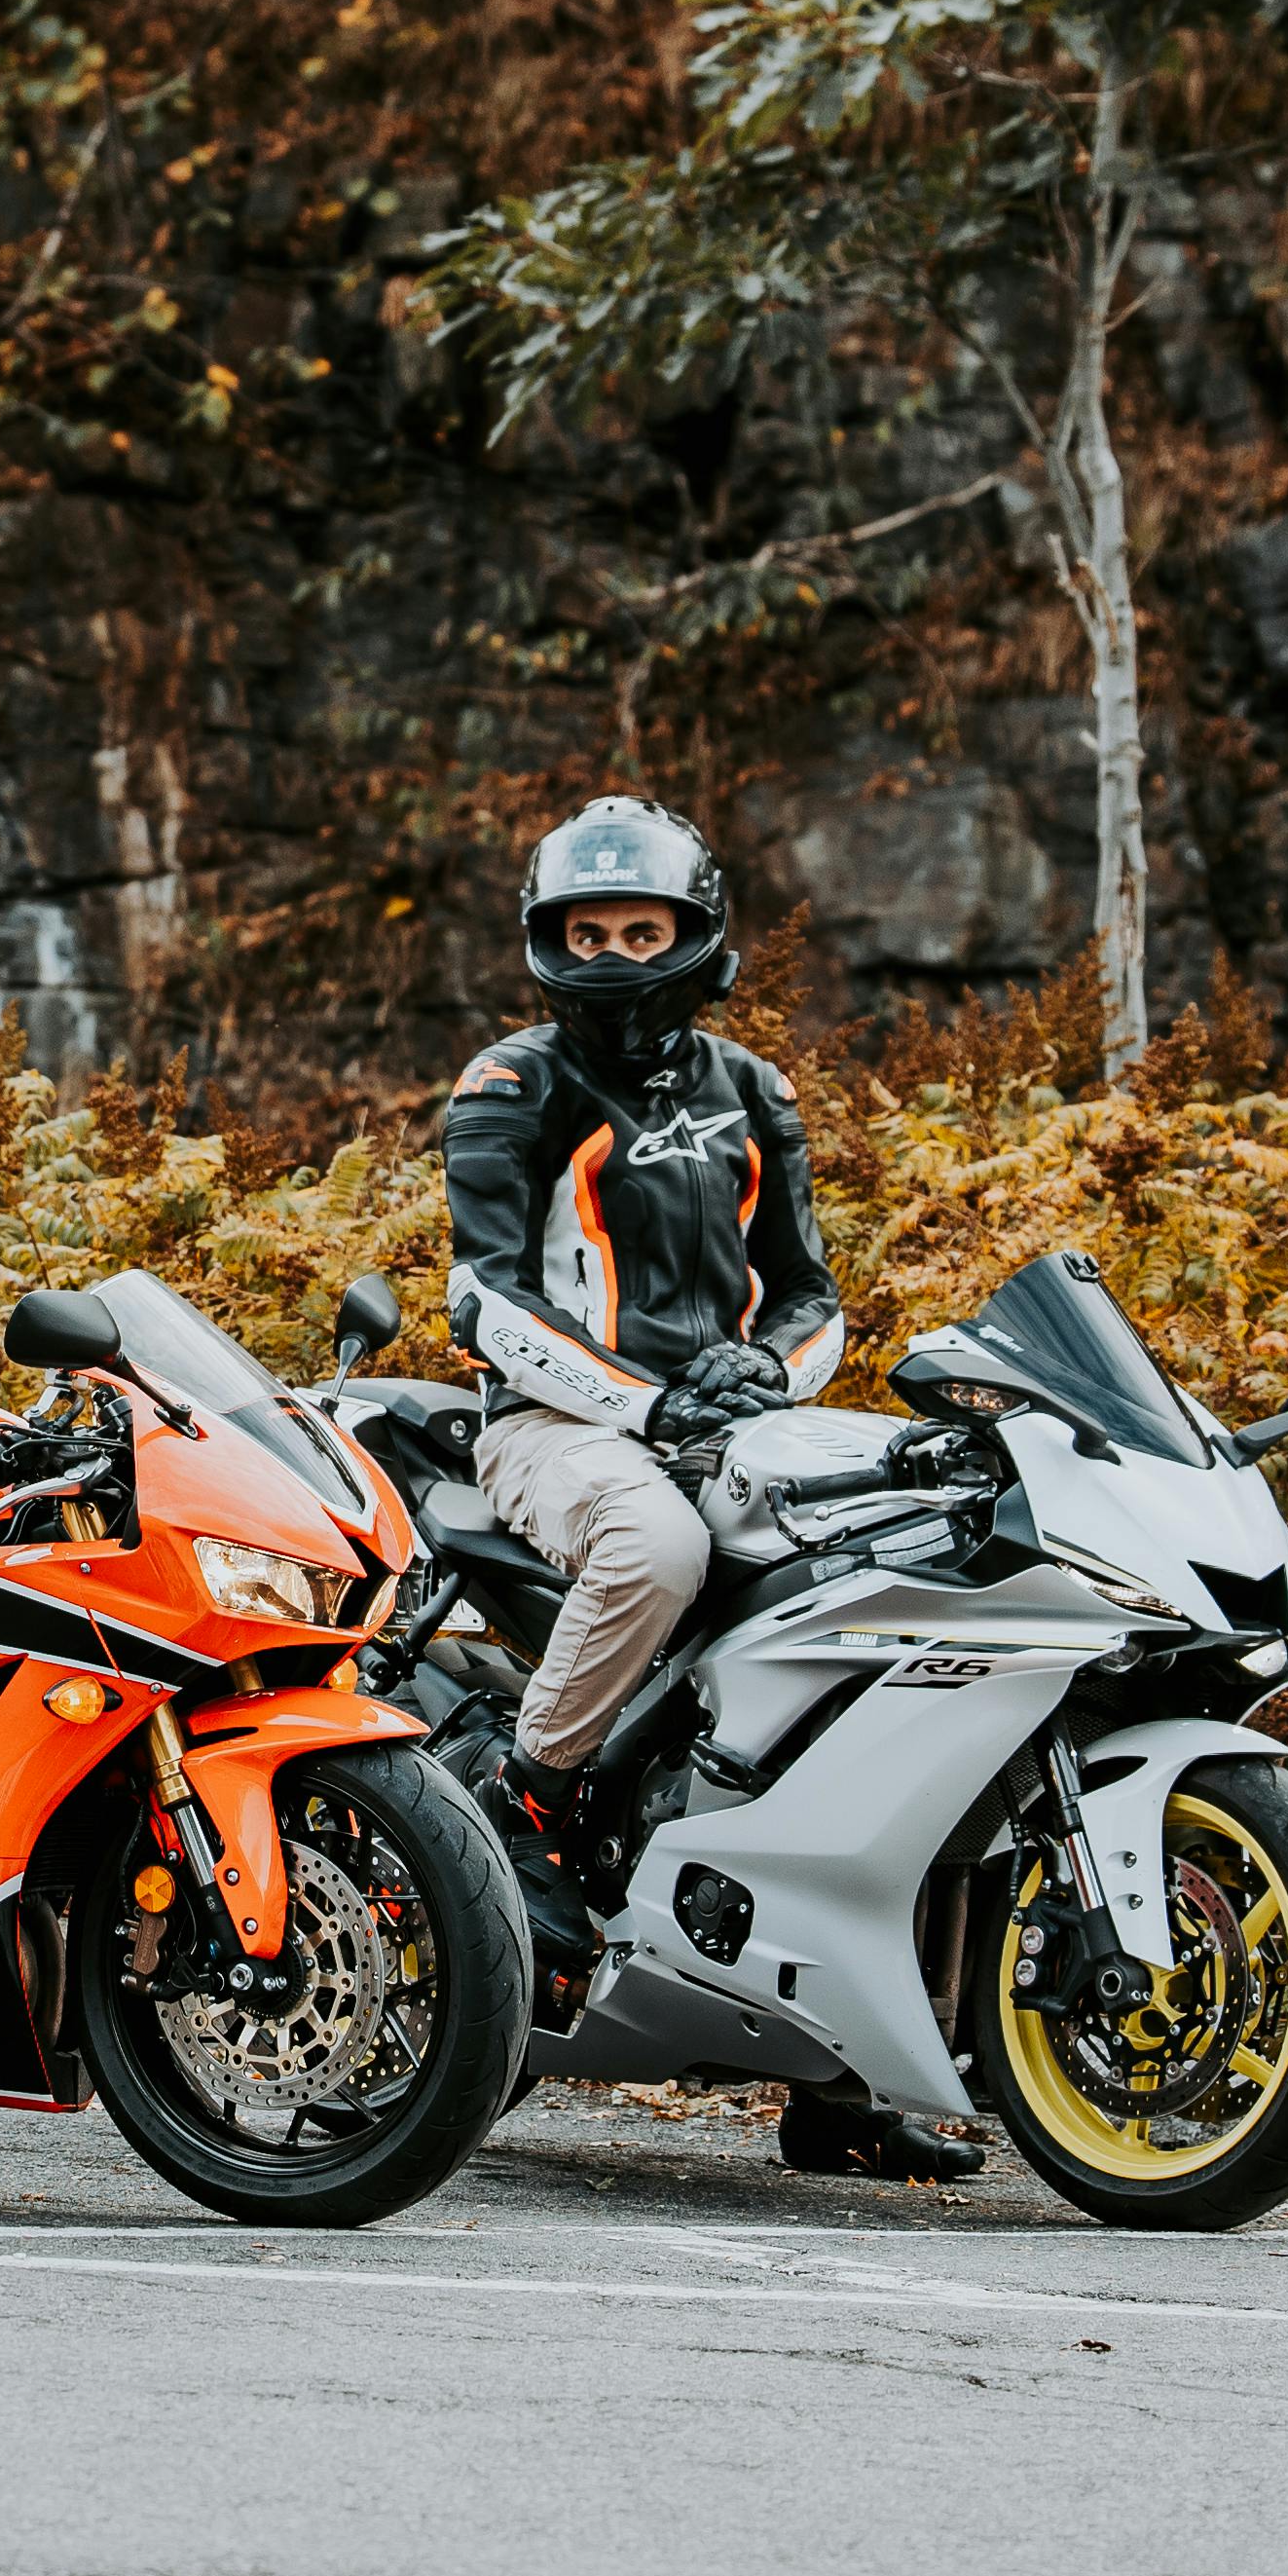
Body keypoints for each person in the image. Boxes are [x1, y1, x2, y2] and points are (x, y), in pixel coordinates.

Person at [440, 793, 977, 2182]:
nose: (617, 956)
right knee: (658, 1551)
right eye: (589, 932)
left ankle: (849, 2075)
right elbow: (481, 1301)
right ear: (547, 942)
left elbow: (811, 1295)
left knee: (896, 1613)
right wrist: (651, 1400)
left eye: (645, 929)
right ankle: (526, 1798)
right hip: (554, 1427)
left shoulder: (755, 1089)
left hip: (736, 1422)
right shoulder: (513, 1084)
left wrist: (769, 1381)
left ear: (696, 934)